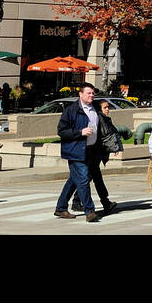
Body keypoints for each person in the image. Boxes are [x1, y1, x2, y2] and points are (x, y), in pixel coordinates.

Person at [53, 82, 102, 222]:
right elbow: (61, 131)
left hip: (91, 150)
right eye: (88, 93)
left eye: (93, 93)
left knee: (74, 180)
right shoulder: (72, 110)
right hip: (76, 150)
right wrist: (80, 132)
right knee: (83, 179)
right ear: (80, 94)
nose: (92, 95)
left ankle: (61, 208)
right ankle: (90, 211)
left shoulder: (95, 108)